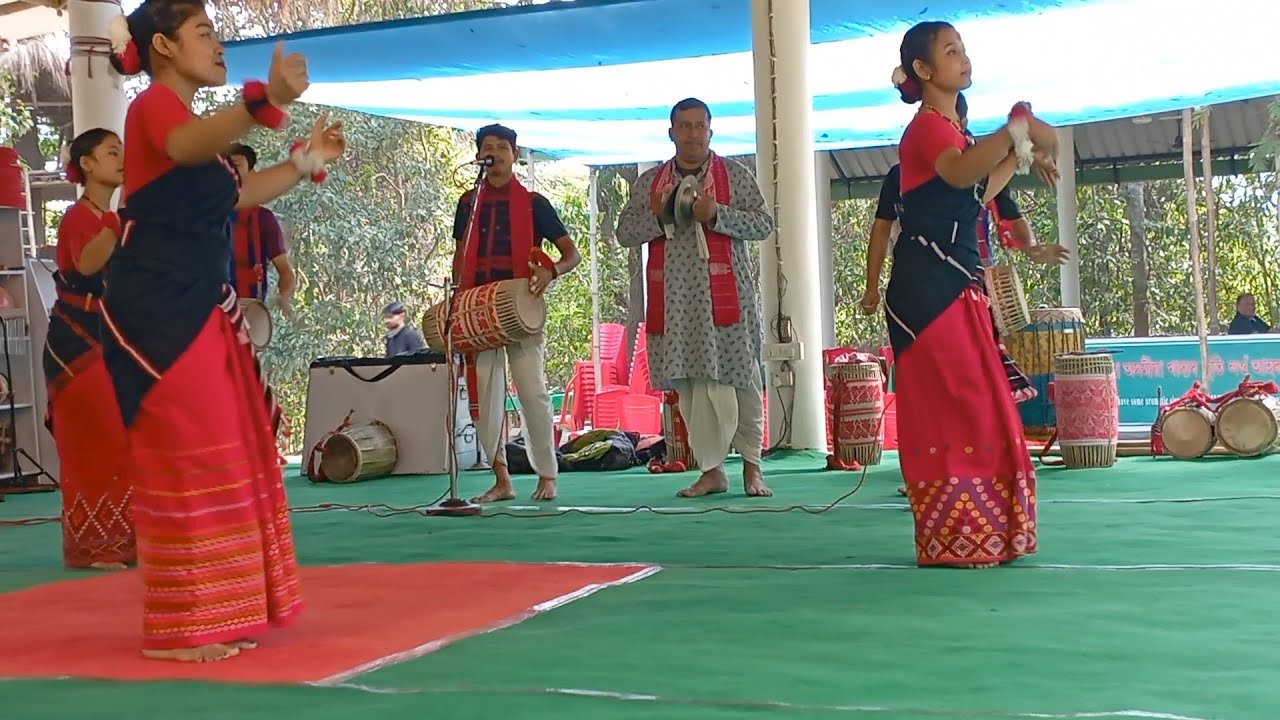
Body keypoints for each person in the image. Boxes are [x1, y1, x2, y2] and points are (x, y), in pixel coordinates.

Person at [103, 0, 344, 661]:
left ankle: (215, 612)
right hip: (159, 314)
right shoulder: (154, 107)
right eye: (204, 33)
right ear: (162, 49)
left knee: (226, 451)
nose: (217, 46)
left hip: (198, 309)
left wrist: (302, 161)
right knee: (189, 455)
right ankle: (177, 629)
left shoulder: (194, 136)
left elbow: (236, 195)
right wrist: (262, 101)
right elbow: (185, 145)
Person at [885, 21, 1060, 568]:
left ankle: (983, 534)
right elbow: (961, 175)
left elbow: (984, 186)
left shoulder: (954, 133)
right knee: (958, 406)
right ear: (922, 69)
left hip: (956, 285)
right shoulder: (926, 133)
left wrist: (1024, 144)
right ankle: (955, 537)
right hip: (927, 293)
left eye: (964, 49)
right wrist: (1014, 133)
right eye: (951, 51)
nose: (964, 58)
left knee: (980, 402)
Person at [616, 98, 775, 499]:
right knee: (690, 387)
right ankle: (712, 471)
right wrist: (656, 217)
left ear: (710, 130)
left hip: (727, 302)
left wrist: (716, 213)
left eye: (698, 126)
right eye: (683, 126)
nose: (691, 133)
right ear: (671, 132)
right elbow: (624, 233)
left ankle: (752, 469)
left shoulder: (734, 176)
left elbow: (763, 224)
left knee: (741, 380)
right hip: (677, 307)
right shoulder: (651, 183)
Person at [451, 123, 580, 503]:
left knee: (533, 393)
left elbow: (570, 254)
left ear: (515, 154)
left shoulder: (533, 203)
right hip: (479, 309)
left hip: (520, 308)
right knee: (486, 396)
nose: (495, 153)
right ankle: (502, 478)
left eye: (502, 147)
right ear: (480, 157)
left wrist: (550, 270)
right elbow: (461, 255)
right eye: (487, 147)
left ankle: (548, 474)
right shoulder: (467, 203)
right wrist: (459, 300)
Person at [44, 128, 133, 570]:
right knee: (95, 442)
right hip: (77, 344)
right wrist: (116, 222)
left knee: (121, 437)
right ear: (87, 164)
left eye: (123, 152)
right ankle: (95, 545)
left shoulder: (112, 217)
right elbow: (87, 264)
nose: (121, 158)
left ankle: (120, 538)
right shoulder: (81, 218)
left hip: (110, 339)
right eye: (111, 152)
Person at [224, 143, 297, 314]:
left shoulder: (263, 219)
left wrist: (284, 297)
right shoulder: (203, 214)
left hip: (248, 312)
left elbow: (285, 270)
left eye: (236, 165)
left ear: (252, 175)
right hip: (207, 311)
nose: (229, 170)